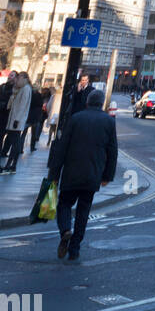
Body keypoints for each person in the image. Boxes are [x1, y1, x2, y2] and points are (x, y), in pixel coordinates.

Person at [48, 88, 117, 262]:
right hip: (93, 174)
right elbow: (112, 151)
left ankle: (65, 230)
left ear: (87, 102)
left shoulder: (76, 118)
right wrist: (107, 176)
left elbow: (62, 148)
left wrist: (54, 174)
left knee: (64, 204)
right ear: (101, 104)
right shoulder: (109, 122)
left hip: (72, 172)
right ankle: (75, 248)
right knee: (83, 211)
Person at [1, 72, 33, 172]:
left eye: (19, 77)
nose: (17, 79)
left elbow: (22, 105)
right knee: (14, 142)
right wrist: (14, 92)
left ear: (24, 78)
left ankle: (11, 165)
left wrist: (17, 120)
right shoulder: (21, 88)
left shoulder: (26, 88)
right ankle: (11, 165)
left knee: (15, 143)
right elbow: (10, 105)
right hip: (14, 119)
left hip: (16, 121)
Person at [0, 70, 17, 156]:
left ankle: (4, 152)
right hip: (1, 114)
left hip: (10, 115)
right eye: (10, 75)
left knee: (9, 137)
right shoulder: (2, 86)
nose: (10, 76)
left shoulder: (16, 89)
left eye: (12, 75)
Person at [27, 85, 47, 152]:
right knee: (34, 133)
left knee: (23, 133)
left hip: (29, 115)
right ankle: (32, 147)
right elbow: (41, 105)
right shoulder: (39, 96)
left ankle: (20, 148)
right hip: (36, 116)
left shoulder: (30, 94)